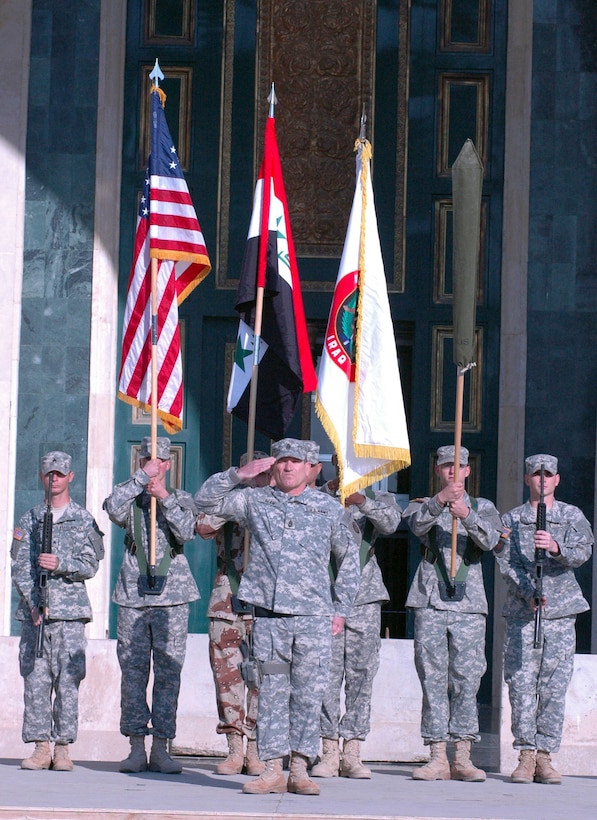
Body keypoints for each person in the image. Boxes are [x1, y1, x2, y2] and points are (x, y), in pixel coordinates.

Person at [194, 438, 360, 796]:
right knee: (270, 692)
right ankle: (271, 769)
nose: (287, 467)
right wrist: (238, 474)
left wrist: (341, 610)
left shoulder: (328, 508)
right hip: (269, 620)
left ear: (309, 467)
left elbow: (349, 560)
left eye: (295, 462)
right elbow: (205, 501)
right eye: (282, 461)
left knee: (308, 693)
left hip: (314, 617)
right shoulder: (254, 501)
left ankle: (299, 769)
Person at [403, 445, 501, 782]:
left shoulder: (483, 507)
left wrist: (466, 515)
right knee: (432, 678)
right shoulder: (424, 505)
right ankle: (436, 755)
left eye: (457, 467)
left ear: (467, 471)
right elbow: (415, 527)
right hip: (430, 600)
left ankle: (462, 755)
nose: (451, 472)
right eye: (445, 466)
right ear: (437, 471)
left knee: (466, 679)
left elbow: (491, 542)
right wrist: (439, 501)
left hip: (469, 603)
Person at [104, 436, 199, 775]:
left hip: (172, 596)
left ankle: (161, 746)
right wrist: (141, 481)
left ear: (169, 463)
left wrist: (165, 499)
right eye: (147, 459)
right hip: (133, 594)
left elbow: (188, 532)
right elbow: (110, 506)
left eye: (159, 460)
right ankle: (134, 746)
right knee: (132, 672)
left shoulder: (182, 499)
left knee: (168, 673)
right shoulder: (129, 496)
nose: (154, 464)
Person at [496, 453, 593, 785]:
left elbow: (583, 552)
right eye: (535, 475)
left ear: (556, 479)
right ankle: (525, 755)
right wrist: (528, 592)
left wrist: (555, 546)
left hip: (561, 614)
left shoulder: (571, 516)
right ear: (526, 480)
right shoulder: (511, 520)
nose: (542, 480)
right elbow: (506, 563)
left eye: (547, 474)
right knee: (522, 685)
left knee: (553, 688)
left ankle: (545, 757)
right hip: (526, 613)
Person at [11, 450, 104, 772]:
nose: (54, 479)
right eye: (49, 473)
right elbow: (19, 565)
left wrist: (61, 565)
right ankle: (40, 746)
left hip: (70, 612)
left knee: (68, 680)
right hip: (36, 614)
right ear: (42, 476)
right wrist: (34, 601)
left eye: (60, 474)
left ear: (70, 477)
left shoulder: (83, 519)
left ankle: (63, 747)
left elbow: (92, 564)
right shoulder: (30, 519)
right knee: (36, 679)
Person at [312, 468, 402, 779]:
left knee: (362, 673)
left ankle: (352, 749)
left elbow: (391, 523)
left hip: (364, 596)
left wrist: (361, 501)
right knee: (325, 673)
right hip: (324, 595)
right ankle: (328, 749)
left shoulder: (378, 498)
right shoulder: (314, 496)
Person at [194, 451, 271, 777]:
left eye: (265, 472)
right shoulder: (231, 503)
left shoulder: (277, 505)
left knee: (264, 679)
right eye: (254, 472)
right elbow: (203, 526)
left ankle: (255, 748)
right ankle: (234, 749)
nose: (260, 478)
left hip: (268, 604)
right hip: (229, 599)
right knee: (227, 678)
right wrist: (237, 488)